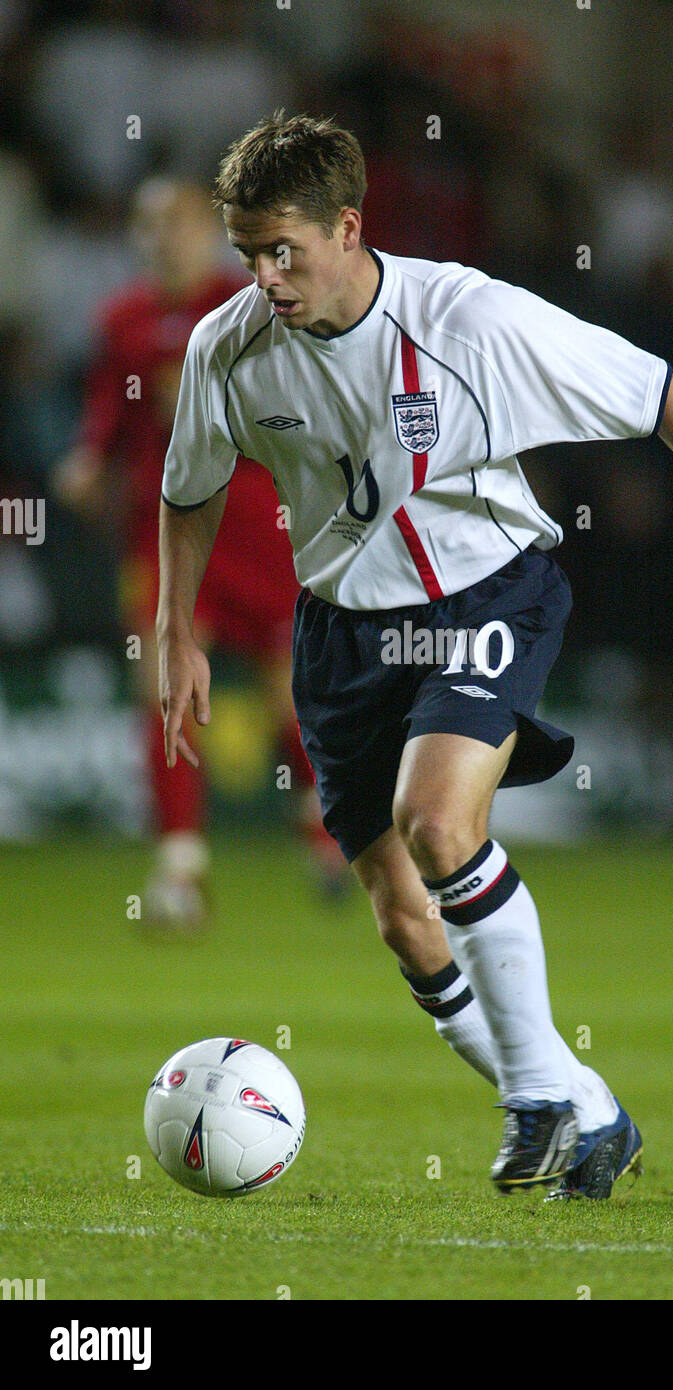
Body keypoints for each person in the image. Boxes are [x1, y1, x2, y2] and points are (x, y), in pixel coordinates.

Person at [157, 115, 673, 1195]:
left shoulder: (466, 318)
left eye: (283, 249)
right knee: (398, 912)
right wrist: (173, 628)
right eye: (247, 252)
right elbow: (188, 489)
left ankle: (530, 1092)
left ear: (348, 226)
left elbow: (657, 392)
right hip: (342, 627)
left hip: (484, 589)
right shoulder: (228, 345)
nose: (263, 275)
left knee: (438, 823)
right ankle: (586, 1105)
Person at [54, 176, 345, 930]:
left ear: (206, 231)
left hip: (257, 527)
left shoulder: (252, 305)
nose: (162, 237)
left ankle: (321, 829)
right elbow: (104, 420)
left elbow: (303, 410)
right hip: (164, 535)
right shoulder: (122, 320)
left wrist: (218, 399)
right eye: (148, 225)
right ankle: (181, 866)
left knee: (292, 692)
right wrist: (85, 463)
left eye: (177, 223)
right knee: (165, 687)